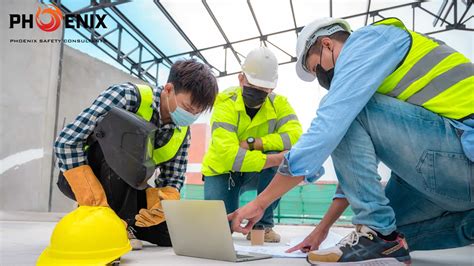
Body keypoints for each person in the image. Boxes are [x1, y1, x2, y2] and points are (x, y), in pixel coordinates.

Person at [228, 17, 473, 264]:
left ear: (327, 44)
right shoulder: (378, 78)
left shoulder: (370, 40)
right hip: (455, 165)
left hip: (463, 154)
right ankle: (385, 239)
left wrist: (260, 203)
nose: (321, 78)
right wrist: (321, 230)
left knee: (343, 117)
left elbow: (330, 127)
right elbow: (356, 171)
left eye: (316, 69)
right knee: (393, 235)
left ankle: (378, 233)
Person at [54, 59, 219, 250]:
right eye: (188, 108)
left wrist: (162, 206)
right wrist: (91, 196)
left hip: (130, 184)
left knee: (170, 234)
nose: (191, 116)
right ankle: (101, 216)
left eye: (197, 113)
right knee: (128, 140)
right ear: (168, 89)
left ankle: (122, 221)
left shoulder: (182, 133)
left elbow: (172, 181)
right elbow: (66, 141)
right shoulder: (127, 96)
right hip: (85, 175)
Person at [202, 47, 303, 243]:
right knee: (220, 230)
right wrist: (274, 158)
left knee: (281, 161)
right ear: (241, 79)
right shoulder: (225, 102)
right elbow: (228, 155)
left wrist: (255, 143)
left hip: (257, 171)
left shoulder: (279, 104)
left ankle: (262, 226)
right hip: (223, 171)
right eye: (251, 85)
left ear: (271, 88)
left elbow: (296, 138)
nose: (256, 91)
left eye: (262, 88)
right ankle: (225, 223)